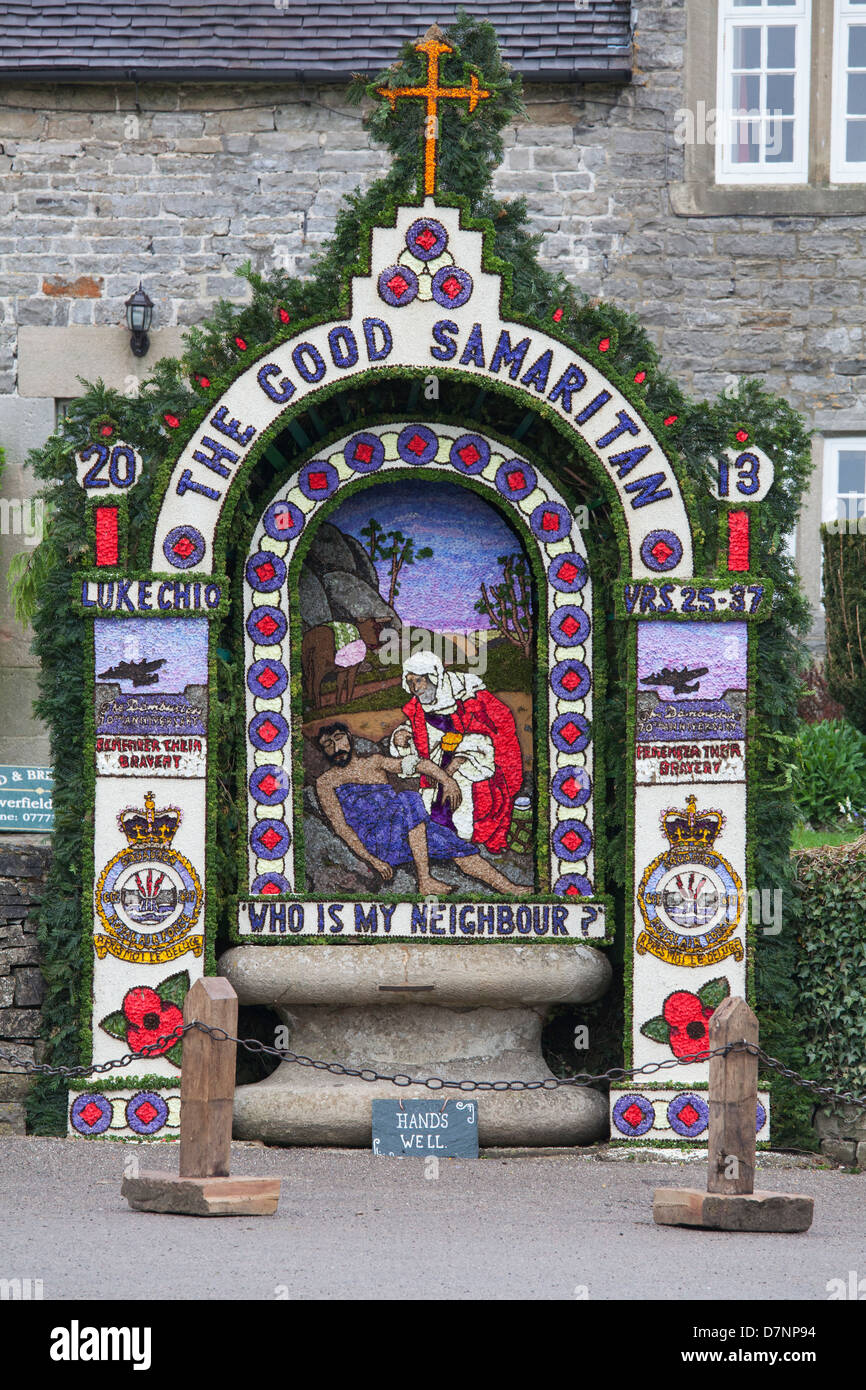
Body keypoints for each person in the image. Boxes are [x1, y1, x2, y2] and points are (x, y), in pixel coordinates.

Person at [314, 722, 522, 897]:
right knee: (409, 798)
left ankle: (511, 889)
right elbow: (340, 826)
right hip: (378, 841)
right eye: (327, 744)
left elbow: (417, 764)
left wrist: (446, 779)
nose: (336, 747)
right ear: (324, 750)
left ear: (349, 738)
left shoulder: (374, 762)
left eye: (339, 738)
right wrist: (373, 860)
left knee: (452, 843)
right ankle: (425, 880)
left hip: (405, 830)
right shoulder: (326, 782)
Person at [389, 651, 522, 853]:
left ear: (432, 678)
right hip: (441, 756)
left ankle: (463, 842)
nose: (414, 688)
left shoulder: (466, 696)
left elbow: (485, 735)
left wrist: (457, 762)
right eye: (410, 682)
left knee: (468, 799)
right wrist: (404, 735)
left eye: (418, 681)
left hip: (473, 759)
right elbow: (423, 732)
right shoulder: (420, 705)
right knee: (433, 802)